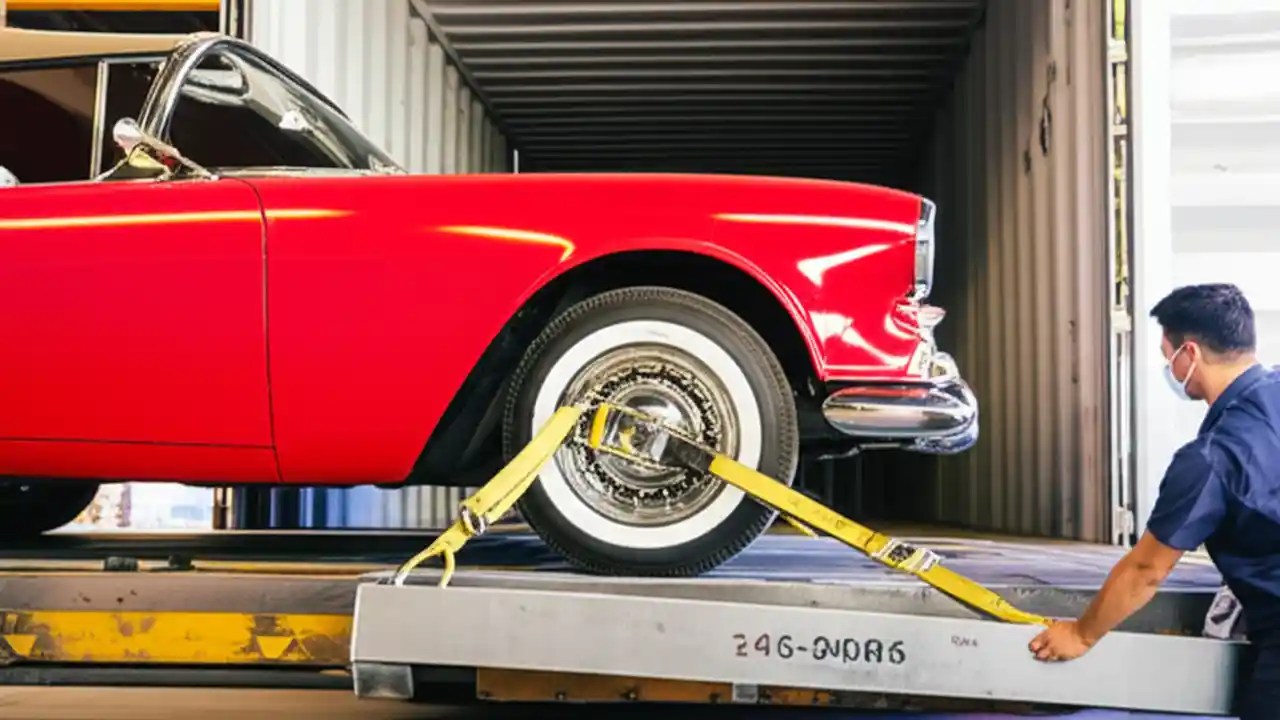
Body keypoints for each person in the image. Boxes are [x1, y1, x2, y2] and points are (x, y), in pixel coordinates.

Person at [1027, 283, 1279, 720]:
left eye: (1169, 356)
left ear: (1190, 354)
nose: (1170, 367)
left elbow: (1146, 569)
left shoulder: (1212, 457)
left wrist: (1082, 634)